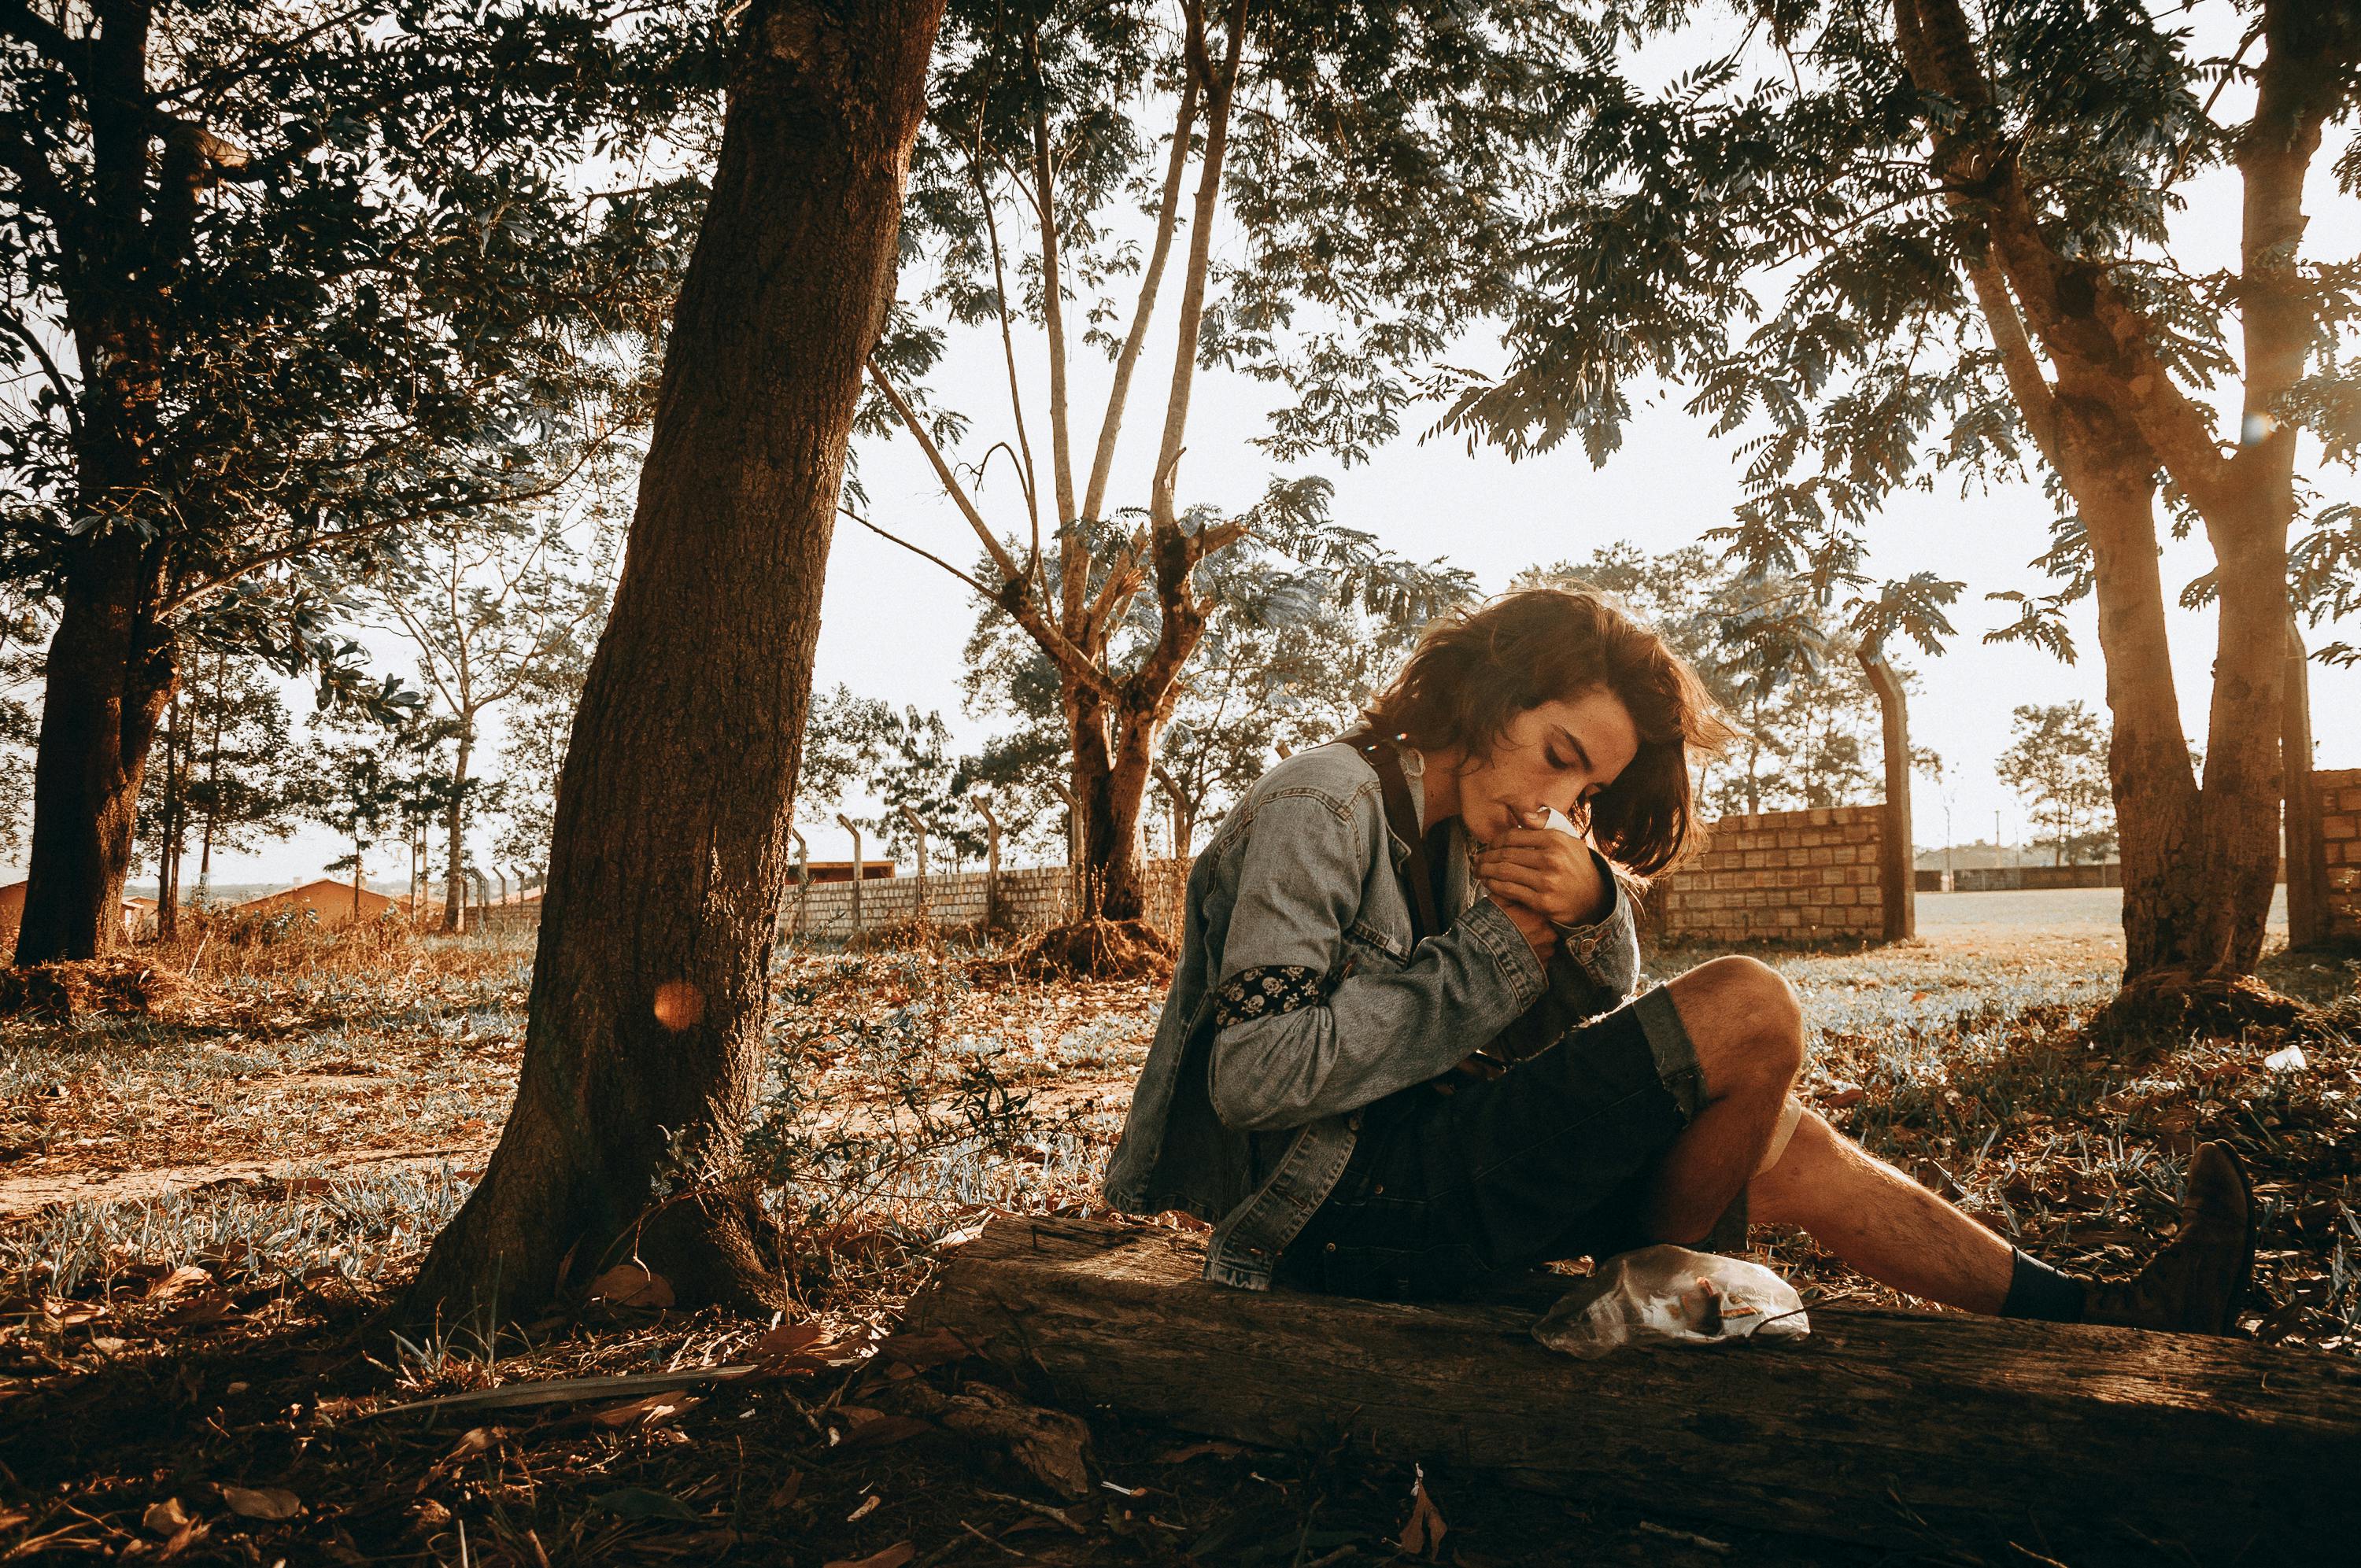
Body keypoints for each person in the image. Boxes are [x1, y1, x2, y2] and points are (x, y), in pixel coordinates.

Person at [1102, 588, 2252, 1332]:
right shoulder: (1328, 803)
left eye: (1586, 789)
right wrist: (1492, 959)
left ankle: (2102, 1313)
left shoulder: (1467, 838)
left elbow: (1579, 1041)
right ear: (1493, 691)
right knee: (1755, 1009)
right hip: (1344, 1213)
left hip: (1432, 1178)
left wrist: (1597, 910)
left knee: (1772, 1133)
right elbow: (1253, 1071)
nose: (1560, 803)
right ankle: (1672, 1325)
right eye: (1557, 758)